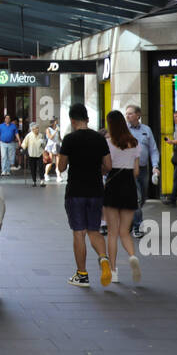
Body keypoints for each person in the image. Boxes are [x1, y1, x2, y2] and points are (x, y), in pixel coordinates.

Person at [57, 104, 112, 287]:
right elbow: (108, 165)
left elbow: (61, 167)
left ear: (72, 120)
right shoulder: (99, 138)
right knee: (94, 230)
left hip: (76, 192)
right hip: (96, 191)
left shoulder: (69, 139)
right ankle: (104, 260)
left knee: (79, 233)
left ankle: (82, 275)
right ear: (87, 118)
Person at [103, 110, 142, 284]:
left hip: (112, 186)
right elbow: (136, 171)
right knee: (125, 232)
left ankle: (113, 271)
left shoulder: (108, 143)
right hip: (129, 187)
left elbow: (107, 166)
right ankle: (133, 256)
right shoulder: (134, 143)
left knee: (112, 233)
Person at [124, 104, 159, 236]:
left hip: (143, 169)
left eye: (130, 113)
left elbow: (153, 150)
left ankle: (131, 221)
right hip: (129, 170)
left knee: (142, 197)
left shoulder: (146, 130)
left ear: (138, 115)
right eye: (126, 113)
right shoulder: (123, 130)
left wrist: (155, 166)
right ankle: (137, 226)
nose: (127, 116)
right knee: (137, 198)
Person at [20, 121, 45, 186]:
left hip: (39, 153)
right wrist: (23, 149)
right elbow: (24, 144)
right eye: (36, 128)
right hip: (31, 154)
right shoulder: (28, 135)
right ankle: (34, 181)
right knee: (33, 168)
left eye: (38, 128)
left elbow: (44, 145)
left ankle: (42, 181)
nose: (37, 129)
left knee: (41, 167)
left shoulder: (41, 135)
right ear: (32, 129)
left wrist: (43, 142)